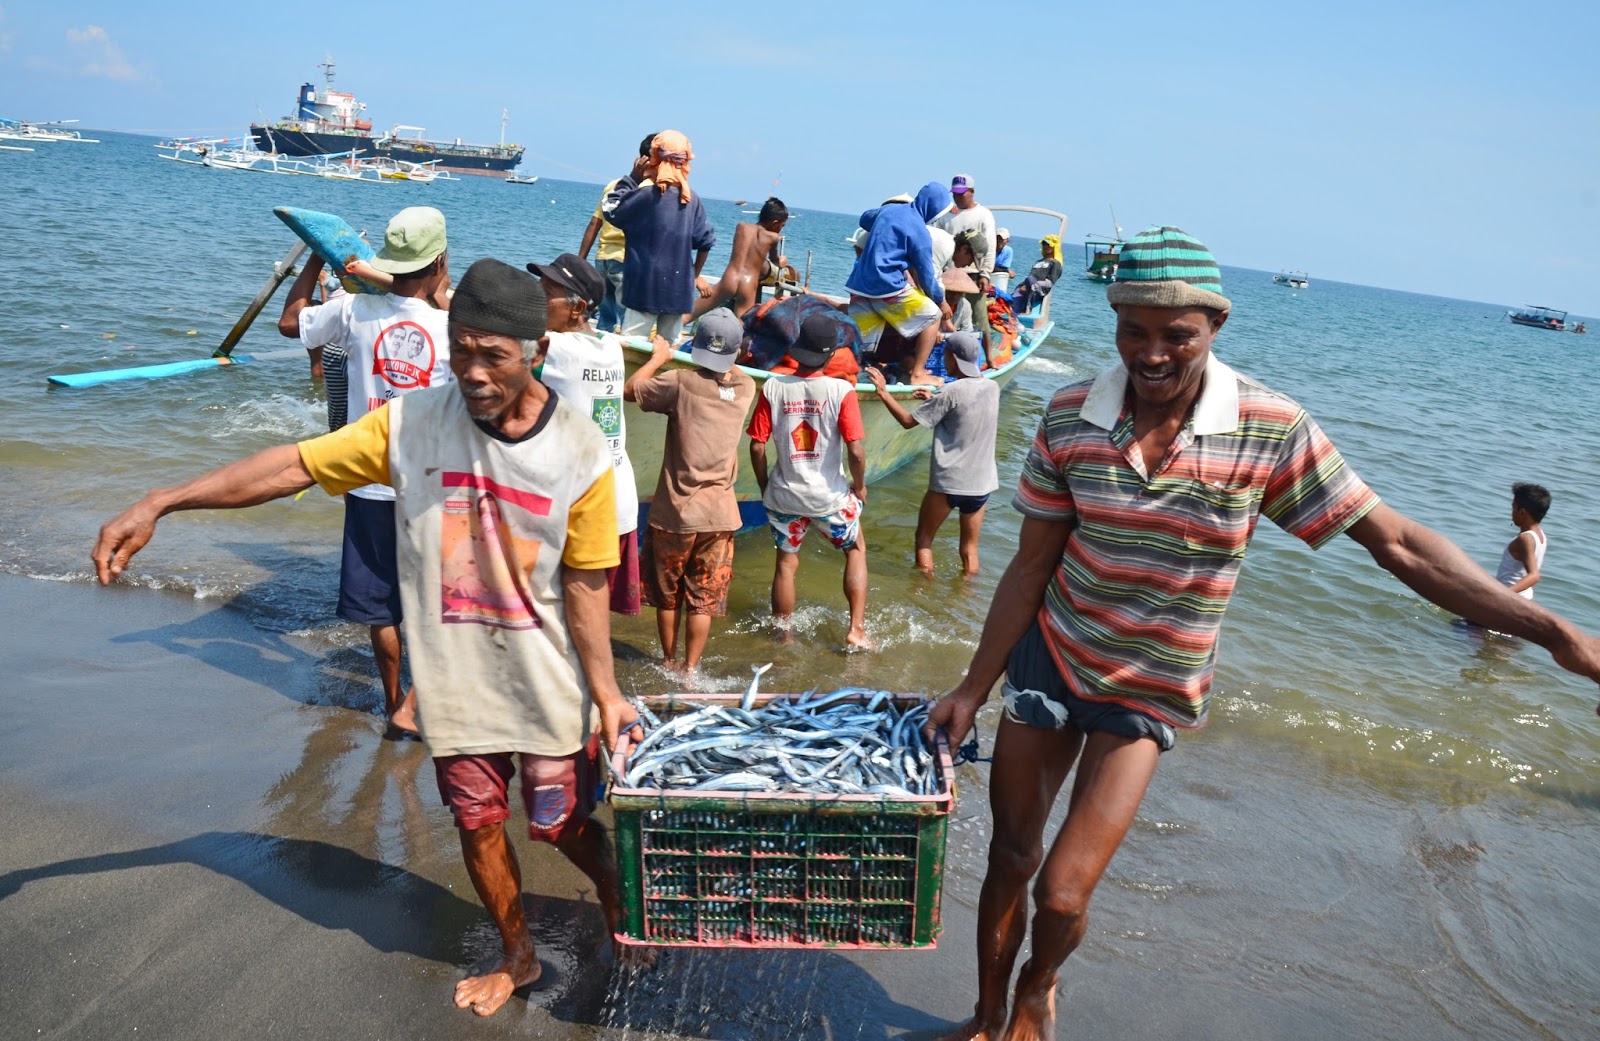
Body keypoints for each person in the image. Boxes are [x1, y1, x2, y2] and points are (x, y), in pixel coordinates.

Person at [922, 227, 1600, 1041]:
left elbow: (1397, 544)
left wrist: (1552, 628)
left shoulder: (1269, 426)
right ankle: (986, 1014)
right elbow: (1029, 568)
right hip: (1053, 654)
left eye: (1178, 334)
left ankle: (1039, 988)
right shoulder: (1071, 415)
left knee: (1063, 893)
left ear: (1216, 325)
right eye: (1133, 330)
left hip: (1154, 685)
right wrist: (972, 686)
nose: (1153, 353)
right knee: (1011, 858)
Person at [96, 259, 643, 1020]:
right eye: (462, 350)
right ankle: (517, 955)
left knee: (562, 821)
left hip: (545, 675)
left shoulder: (582, 453)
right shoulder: (412, 422)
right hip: (454, 677)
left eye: (496, 356)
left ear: (537, 352)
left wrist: (608, 692)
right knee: (478, 820)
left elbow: (586, 587)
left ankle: (617, 890)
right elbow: (291, 467)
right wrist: (164, 499)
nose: (474, 372)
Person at [277, 206, 453, 739]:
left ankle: (392, 700)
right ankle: (417, 706)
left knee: (383, 610)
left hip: (367, 480)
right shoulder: (450, 328)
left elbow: (291, 324)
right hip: (427, 484)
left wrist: (316, 255)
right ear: (440, 261)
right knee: (434, 602)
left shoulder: (352, 309)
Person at [624, 308, 757, 673]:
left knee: (669, 596)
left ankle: (668, 661)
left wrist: (658, 358)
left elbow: (630, 390)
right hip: (721, 515)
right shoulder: (746, 388)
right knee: (703, 599)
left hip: (675, 513)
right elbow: (733, 372)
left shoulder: (679, 382)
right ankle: (691, 669)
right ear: (736, 353)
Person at [747, 314, 871, 648]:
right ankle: (856, 630)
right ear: (831, 355)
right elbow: (856, 451)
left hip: (784, 495)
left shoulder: (772, 387)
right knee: (856, 549)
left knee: (786, 563)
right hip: (828, 497)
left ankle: (783, 632)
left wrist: (764, 485)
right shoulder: (841, 390)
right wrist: (859, 486)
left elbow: (757, 446)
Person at [527, 252, 641, 615]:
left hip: (586, 506)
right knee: (587, 617)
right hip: (618, 499)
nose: (536, 299)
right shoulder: (611, 348)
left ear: (576, 309)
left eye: (546, 294)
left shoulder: (558, 349)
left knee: (558, 616)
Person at [865, 330, 999, 575]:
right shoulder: (992, 387)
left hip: (949, 482)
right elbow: (963, 408)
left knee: (924, 540)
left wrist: (883, 392)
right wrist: (934, 398)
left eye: (946, 355)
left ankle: (923, 591)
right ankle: (965, 599)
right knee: (970, 549)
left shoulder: (949, 393)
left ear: (953, 359)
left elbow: (907, 421)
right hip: (982, 484)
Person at [602, 129, 716, 343]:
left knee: (633, 345)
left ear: (654, 160)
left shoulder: (646, 196)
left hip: (642, 290)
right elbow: (705, 242)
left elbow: (610, 207)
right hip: (677, 293)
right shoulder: (692, 201)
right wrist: (692, 276)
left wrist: (633, 177)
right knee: (669, 348)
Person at [846, 181, 955, 387]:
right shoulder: (920, 232)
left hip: (858, 285)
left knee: (864, 344)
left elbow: (864, 219)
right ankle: (918, 373)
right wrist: (941, 302)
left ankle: (854, 377)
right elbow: (926, 277)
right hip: (887, 286)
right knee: (932, 316)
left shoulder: (889, 211)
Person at [578, 134, 655, 332]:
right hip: (625, 262)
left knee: (606, 316)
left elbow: (594, 223)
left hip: (602, 259)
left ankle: (600, 357)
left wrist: (581, 260)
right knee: (628, 318)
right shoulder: (651, 191)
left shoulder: (615, 186)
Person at [690, 197, 789, 319]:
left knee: (692, 312)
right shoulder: (773, 237)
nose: (781, 229)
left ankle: (675, 327)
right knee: (742, 326)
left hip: (730, 279)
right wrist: (782, 262)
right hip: (748, 284)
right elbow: (774, 260)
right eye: (782, 225)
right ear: (774, 223)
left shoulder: (741, 227)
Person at [1495, 482, 1551, 599]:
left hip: (1510, 599)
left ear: (1522, 513)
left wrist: (1503, 595)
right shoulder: (1541, 536)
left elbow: (1534, 576)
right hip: (1523, 597)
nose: (1512, 512)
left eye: (1513, 507)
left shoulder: (1525, 538)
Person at [1009, 235, 1064, 315]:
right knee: (1013, 297)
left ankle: (1027, 310)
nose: (1046, 246)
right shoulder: (1038, 262)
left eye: (1048, 245)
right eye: (1044, 244)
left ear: (1054, 247)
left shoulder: (1055, 264)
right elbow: (1030, 275)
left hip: (1040, 288)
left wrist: (1033, 284)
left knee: (1030, 280)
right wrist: (1024, 285)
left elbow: (1050, 283)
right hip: (1028, 284)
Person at [992, 228, 1014, 292]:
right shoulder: (989, 249)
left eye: (1002, 239)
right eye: (998, 238)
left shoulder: (1008, 251)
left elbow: (1003, 269)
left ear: (1007, 241)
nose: (999, 241)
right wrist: (1007, 271)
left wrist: (1005, 270)